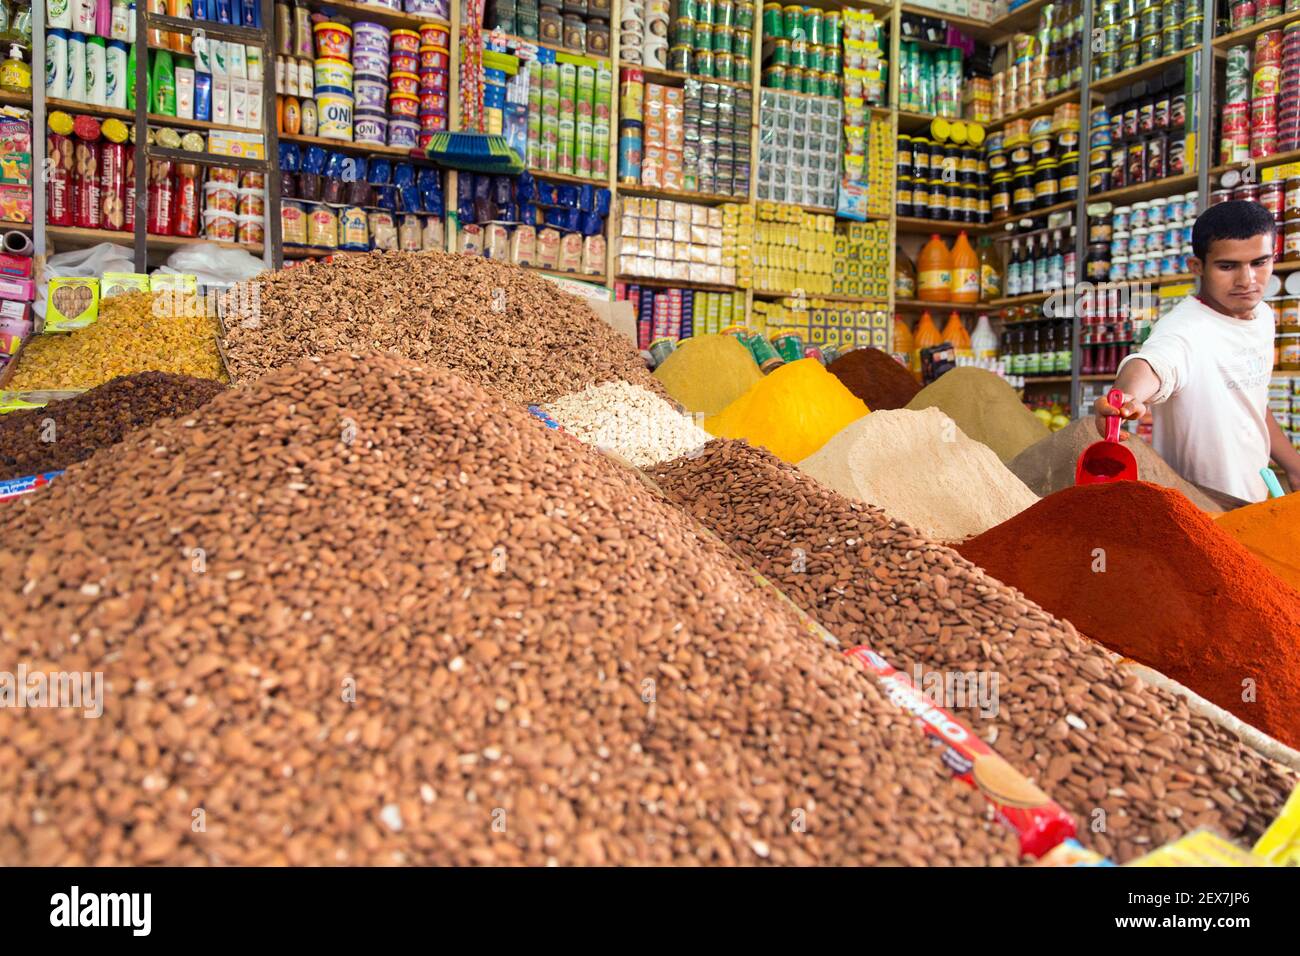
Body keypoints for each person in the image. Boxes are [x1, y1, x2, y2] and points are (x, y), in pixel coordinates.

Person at [1094, 200, 1300, 502]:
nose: (1247, 280)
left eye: (1259, 262)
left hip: (1252, 499)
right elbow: (1152, 363)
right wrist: (1126, 397)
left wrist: (1293, 465)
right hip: (1198, 505)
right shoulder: (1184, 328)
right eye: (1227, 266)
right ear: (1197, 266)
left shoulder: (1264, 316)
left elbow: (1251, 400)